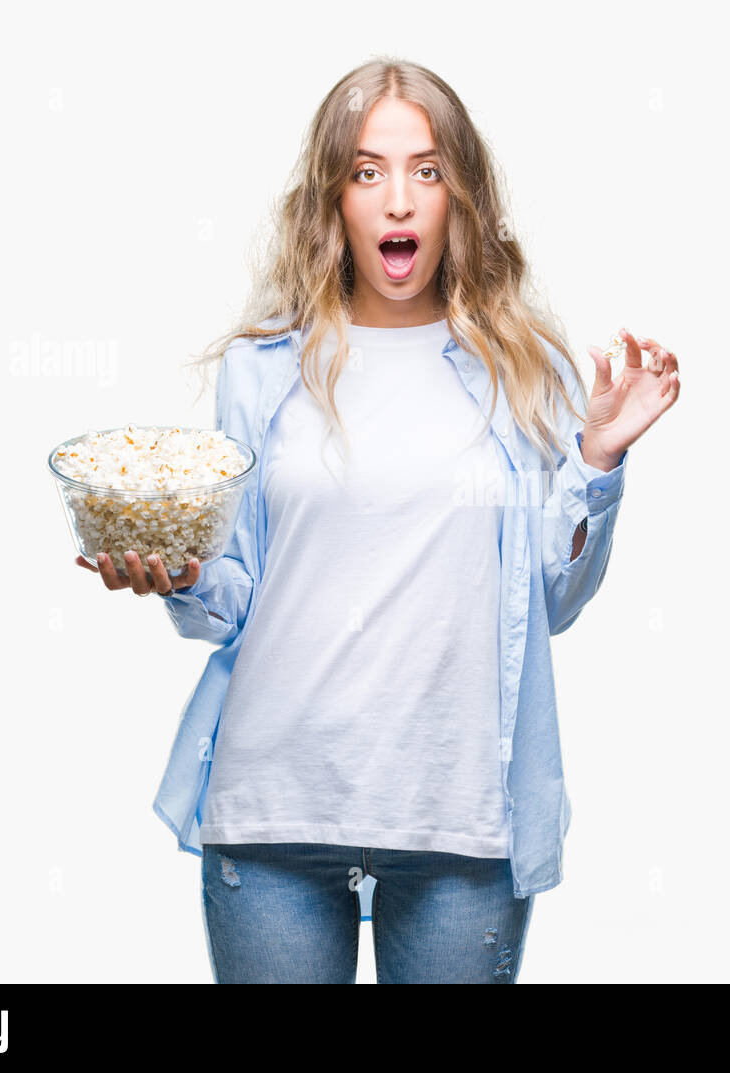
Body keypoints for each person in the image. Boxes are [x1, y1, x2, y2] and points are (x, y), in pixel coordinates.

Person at [76, 57, 680, 983]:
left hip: (459, 816)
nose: (398, 200)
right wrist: (184, 572)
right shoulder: (262, 369)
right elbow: (232, 597)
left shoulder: (527, 369)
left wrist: (598, 462)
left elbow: (552, 598)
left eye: (426, 171)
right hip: (275, 807)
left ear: (459, 198)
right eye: (368, 172)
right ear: (335, 200)